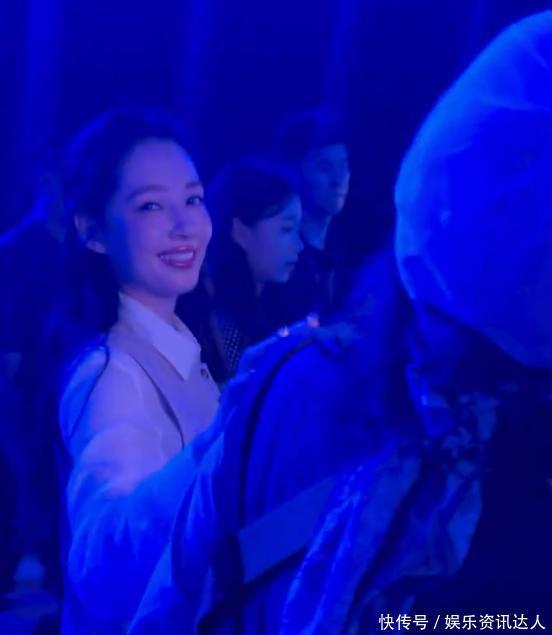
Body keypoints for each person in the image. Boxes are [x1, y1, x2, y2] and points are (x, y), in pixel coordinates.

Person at [128, 10, 552, 633]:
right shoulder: (236, 338)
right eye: (284, 226)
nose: (341, 183)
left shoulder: (288, 364)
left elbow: (172, 601)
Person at [51, 108, 220, 634]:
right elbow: (102, 567)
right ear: (93, 232)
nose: (185, 225)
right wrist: (230, 445)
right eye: (151, 205)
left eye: (193, 199)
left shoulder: (180, 341)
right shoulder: (111, 375)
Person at [180, 159, 304, 384]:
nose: (299, 245)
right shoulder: (209, 317)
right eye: (286, 229)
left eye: (298, 230)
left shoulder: (275, 303)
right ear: (240, 233)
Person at [267, 107, 351, 323]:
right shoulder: (277, 260)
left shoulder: (347, 254)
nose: (339, 179)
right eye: (325, 167)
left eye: (344, 165)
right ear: (291, 170)